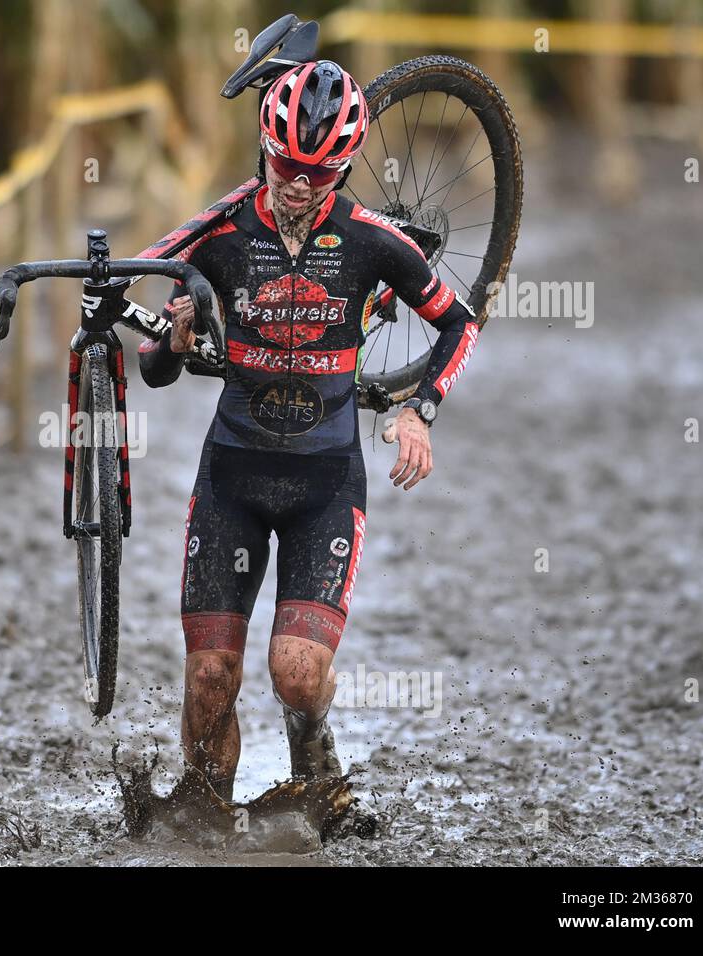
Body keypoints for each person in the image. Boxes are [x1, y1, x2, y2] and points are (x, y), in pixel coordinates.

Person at [137, 61, 479, 821]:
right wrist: (178, 338)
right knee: (210, 677)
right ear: (263, 144)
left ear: (345, 166)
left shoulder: (372, 243)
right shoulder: (218, 238)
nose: (297, 184)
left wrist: (421, 409)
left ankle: (313, 754)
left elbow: (459, 321)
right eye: (285, 165)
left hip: (325, 484)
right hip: (232, 476)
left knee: (295, 671)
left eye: (319, 173)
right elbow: (156, 370)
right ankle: (204, 822)